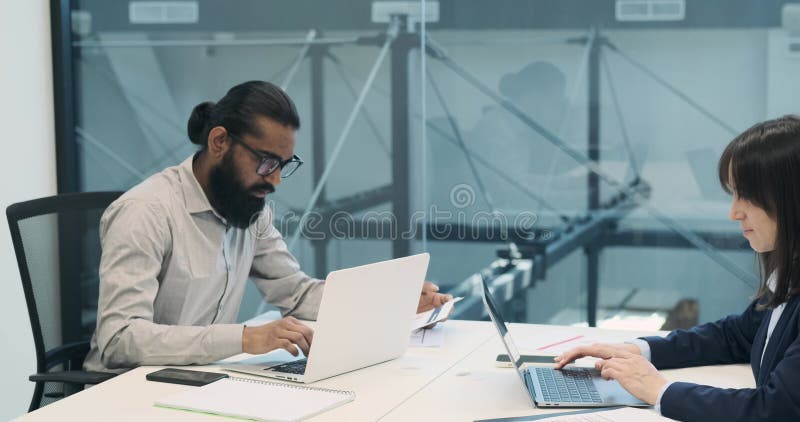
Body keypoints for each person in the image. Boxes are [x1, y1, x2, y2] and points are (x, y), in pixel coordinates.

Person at [84, 81, 452, 373]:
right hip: (125, 394)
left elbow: (296, 293)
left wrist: (393, 303)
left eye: (283, 166)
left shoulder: (248, 210)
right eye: (266, 162)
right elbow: (120, 339)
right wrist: (245, 339)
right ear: (219, 142)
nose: (274, 180)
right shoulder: (145, 212)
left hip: (197, 381)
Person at [554, 115, 800, 421]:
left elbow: (774, 410)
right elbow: (736, 335)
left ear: (790, 198)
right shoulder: (789, 272)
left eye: (745, 196)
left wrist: (658, 390)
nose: (734, 213)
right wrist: (639, 350)